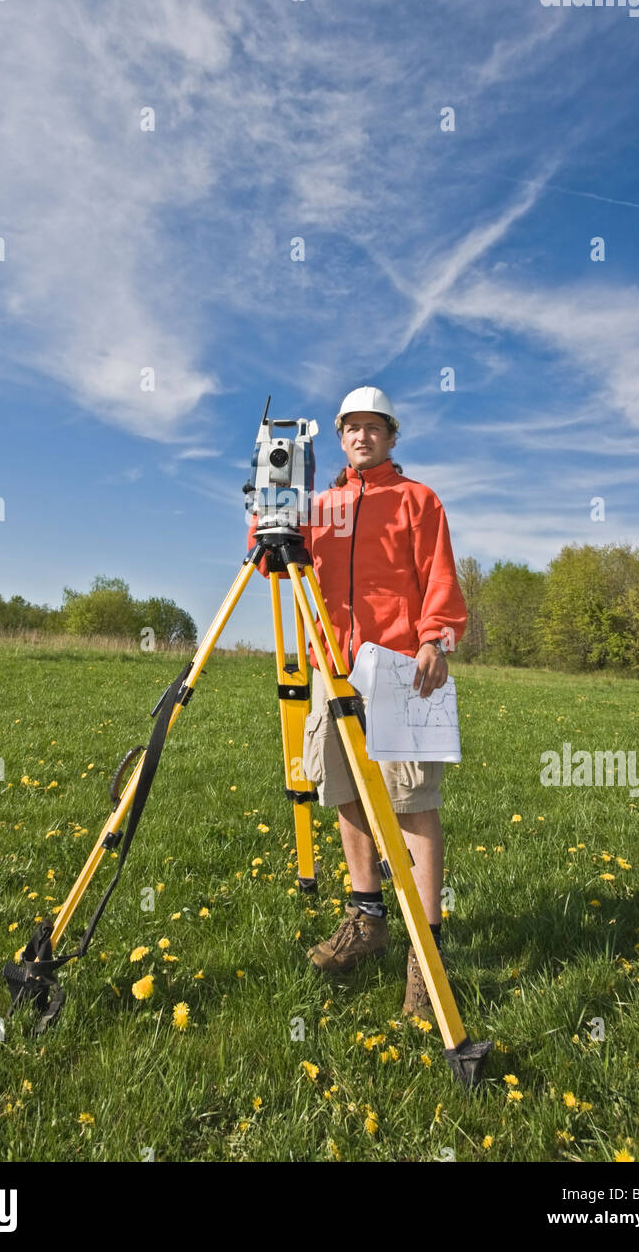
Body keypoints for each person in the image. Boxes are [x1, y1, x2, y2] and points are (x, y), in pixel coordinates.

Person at [248, 385, 468, 1016]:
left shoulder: (418, 500)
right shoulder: (323, 506)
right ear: (339, 438)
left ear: (392, 436)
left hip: (401, 667)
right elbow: (271, 565)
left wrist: (436, 639)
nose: (362, 436)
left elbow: (441, 578)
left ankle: (427, 948)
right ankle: (367, 917)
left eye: (375, 427)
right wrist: (269, 518)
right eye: (352, 428)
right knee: (343, 790)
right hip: (331, 664)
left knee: (410, 800)